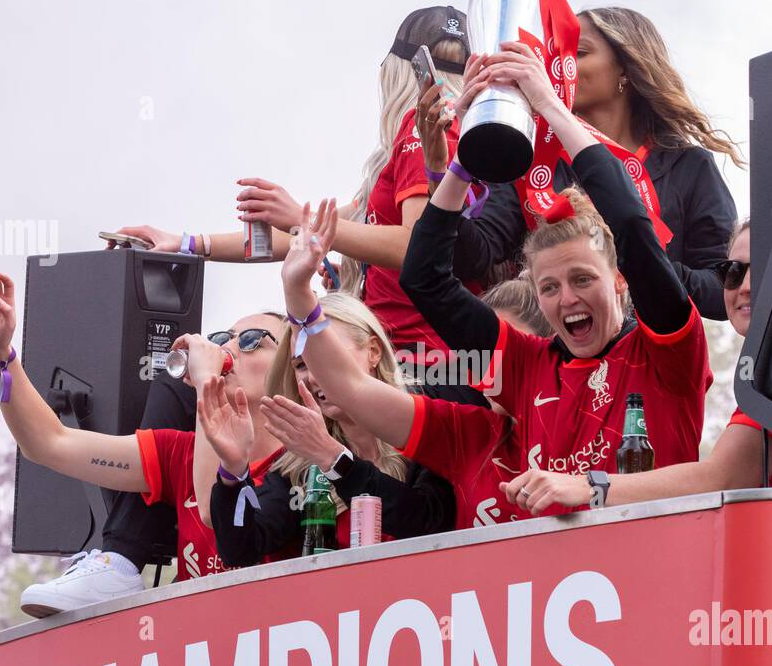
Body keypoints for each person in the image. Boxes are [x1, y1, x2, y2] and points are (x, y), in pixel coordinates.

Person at [400, 43, 713, 519]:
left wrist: (550, 107)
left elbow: (630, 224)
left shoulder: (667, 353)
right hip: (563, 586)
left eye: (583, 278)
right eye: (549, 287)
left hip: (659, 572)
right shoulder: (526, 364)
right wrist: (463, 162)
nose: (567, 299)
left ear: (621, 281)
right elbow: (424, 278)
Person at [112, 7, 479, 367]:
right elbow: (307, 234)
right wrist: (189, 245)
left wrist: (300, 222)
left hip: (418, 361)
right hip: (417, 354)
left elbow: (414, 245)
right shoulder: (457, 134)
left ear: (398, 70)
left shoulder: (423, 129)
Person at [0, 271, 288, 615]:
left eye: (253, 340)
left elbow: (211, 509)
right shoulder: (180, 453)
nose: (226, 349)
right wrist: (1, 359)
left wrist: (206, 380)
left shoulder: (301, 463)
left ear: (292, 367)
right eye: (223, 338)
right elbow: (48, 443)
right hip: (196, 644)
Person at [497, 220, 772, 511]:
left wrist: (589, 485)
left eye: (760, 269)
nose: (742, 286)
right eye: (731, 271)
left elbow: (724, 478)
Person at [417, 6, 739, 319]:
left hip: (655, 357)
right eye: (558, 54)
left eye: (579, 52)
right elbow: (470, 259)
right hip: (562, 360)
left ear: (626, 67)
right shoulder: (534, 159)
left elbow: (722, 292)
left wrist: (631, 257)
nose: (561, 65)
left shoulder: (690, 166)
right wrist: (451, 162)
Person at [272, 201, 562, 531]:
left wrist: (589, 486)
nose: (493, 365)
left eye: (512, 352)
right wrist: (297, 293)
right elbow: (349, 387)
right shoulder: (468, 431)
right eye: (479, 350)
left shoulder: (589, 408)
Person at [201, 272, 457, 563]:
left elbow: (429, 523)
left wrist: (335, 460)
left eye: (328, 357)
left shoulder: (428, 424)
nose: (314, 375)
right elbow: (241, 550)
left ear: (373, 351)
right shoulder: (298, 464)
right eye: (301, 365)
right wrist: (233, 472)